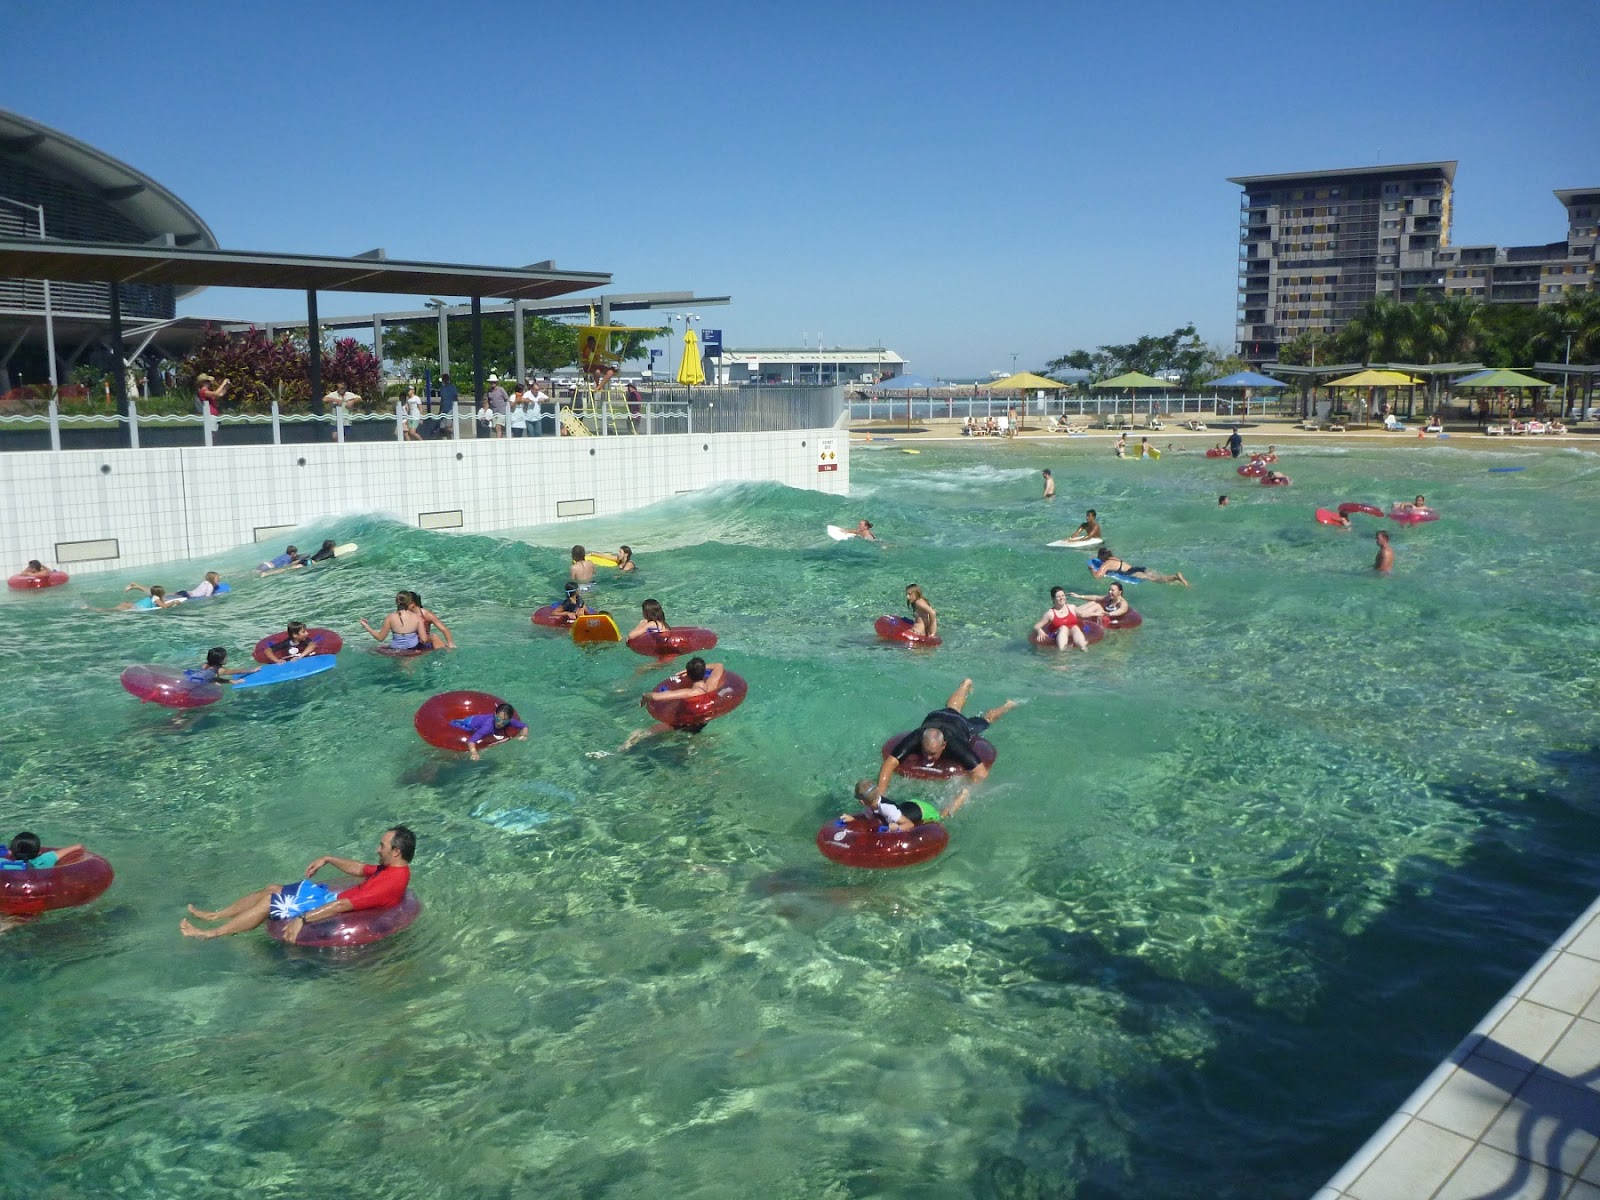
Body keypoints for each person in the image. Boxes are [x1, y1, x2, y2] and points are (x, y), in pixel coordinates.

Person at [180, 826, 416, 943]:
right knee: (273, 887)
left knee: (269, 901)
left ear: (396, 852)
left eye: (382, 846)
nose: (377, 849)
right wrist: (328, 859)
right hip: (327, 897)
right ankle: (215, 915)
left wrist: (302, 919)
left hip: (328, 904)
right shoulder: (392, 869)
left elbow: (341, 906)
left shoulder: (389, 883)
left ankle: (209, 934)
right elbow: (359, 869)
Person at [871, 679, 1017, 816]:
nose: (928, 758)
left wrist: (961, 796)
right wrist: (881, 796)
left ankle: (1007, 705)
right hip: (936, 716)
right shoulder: (916, 737)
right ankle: (964, 685)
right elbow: (890, 762)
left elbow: (981, 774)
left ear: (943, 746)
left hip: (959, 725)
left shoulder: (955, 745)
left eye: (933, 754)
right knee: (951, 708)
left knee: (985, 720)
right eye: (926, 752)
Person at [622, 657, 727, 750]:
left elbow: (654, 696)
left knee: (646, 732)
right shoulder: (711, 685)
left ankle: (627, 744)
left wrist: (645, 696)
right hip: (701, 722)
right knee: (691, 740)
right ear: (704, 672)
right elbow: (719, 665)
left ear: (688, 675)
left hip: (681, 724)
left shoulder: (689, 692)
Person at [452, 702, 528, 761]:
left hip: (481, 720)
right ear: (495, 714)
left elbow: (524, 726)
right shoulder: (488, 727)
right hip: (468, 724)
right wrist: (474, 753)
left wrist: (524, 735)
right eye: (498, 719)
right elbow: (471, 741)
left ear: (509, 719)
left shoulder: (510, 721)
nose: (500, 723)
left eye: (504, 721)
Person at [360, 592, 428, 653]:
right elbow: (424, 639)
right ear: (409, 602)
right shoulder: (417, 618)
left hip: (395, 651)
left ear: (396, 602)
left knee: (371, 649)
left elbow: (380, 638)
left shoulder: (390, 618)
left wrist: (366, 626)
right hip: (413, 650)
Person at [1032, 586, 1090, 650]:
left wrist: (1095, 614)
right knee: (1063, 628)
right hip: (1057, 634)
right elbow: (1036, 626)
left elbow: (1082, 615)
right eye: (1058, 596)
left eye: (1063, 595)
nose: (1061, 598)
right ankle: (1062, 651)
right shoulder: (1050, 613)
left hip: (1072, 631)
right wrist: (1039, 630)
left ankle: (1083, 647)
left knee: (1075, 627)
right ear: (1053, 599)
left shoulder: (1072, 607)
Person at [1093, 547, 1188, 586]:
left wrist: (1092, 568)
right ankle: (1176, 578)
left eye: (1099, 557)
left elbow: (1098, 576)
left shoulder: (1107, 563)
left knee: (1155, 579)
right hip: (1139, 568)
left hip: (1133, 573)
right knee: (1157, 577)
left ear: (1102, 556)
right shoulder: (1116, 558)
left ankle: (1176, 577)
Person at [2, 831, 85, 872]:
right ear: (39, 852)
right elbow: (78, 846)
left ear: (11, 852)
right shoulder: (45, 860)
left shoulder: (4, 864)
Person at [189, 646, 258, 684]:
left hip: (191, 678)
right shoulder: (221, 670)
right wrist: (253, 670)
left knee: (216, 683)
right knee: (217, 685)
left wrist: (230, 681)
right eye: (226, 657)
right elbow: (238, 671)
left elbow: (208, 677)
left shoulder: (205, 665)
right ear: (221, 660)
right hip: (198, 684)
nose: (227, 658)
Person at [115, 583, 183, 610]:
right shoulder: (156, 598)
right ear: (160, 593)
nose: (164, 592)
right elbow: (163, 606)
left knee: (114, 609)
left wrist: (135, 586)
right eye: (163, 592)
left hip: (132, 605)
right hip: (134, 607)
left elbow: (144, 589)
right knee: (112, 610)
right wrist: (174, 602)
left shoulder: (153, 595)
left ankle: (104, 610)